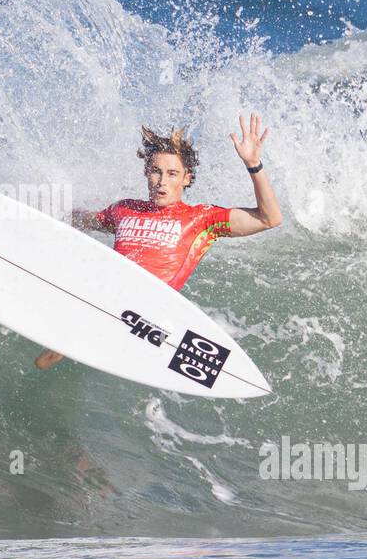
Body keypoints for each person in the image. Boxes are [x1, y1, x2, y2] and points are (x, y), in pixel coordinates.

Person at [34, 113, 282, 368]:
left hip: (148, 315)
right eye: (156, 171)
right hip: (105, 297)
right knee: (46, 359)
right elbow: (87, 220)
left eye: (172, 173)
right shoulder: (124, 209)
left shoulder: (201, 219)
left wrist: (253, 164)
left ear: (186, 178)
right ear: (147, 173)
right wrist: (45, 216)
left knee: (55, 351)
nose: (162, 181)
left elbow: (269, 218)